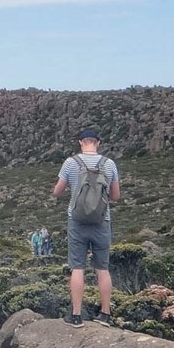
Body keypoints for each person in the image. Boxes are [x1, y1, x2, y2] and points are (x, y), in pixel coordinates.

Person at [52, 129, 121, 327]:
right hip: (102, 221)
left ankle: (75, 315)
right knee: (102, 269)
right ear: (98, 142)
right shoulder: (109, 164)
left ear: (81, 142)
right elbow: (116, 196)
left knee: (78, 268)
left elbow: (57, 192)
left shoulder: (70, 163)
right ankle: (105, 314)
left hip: (77, 221)